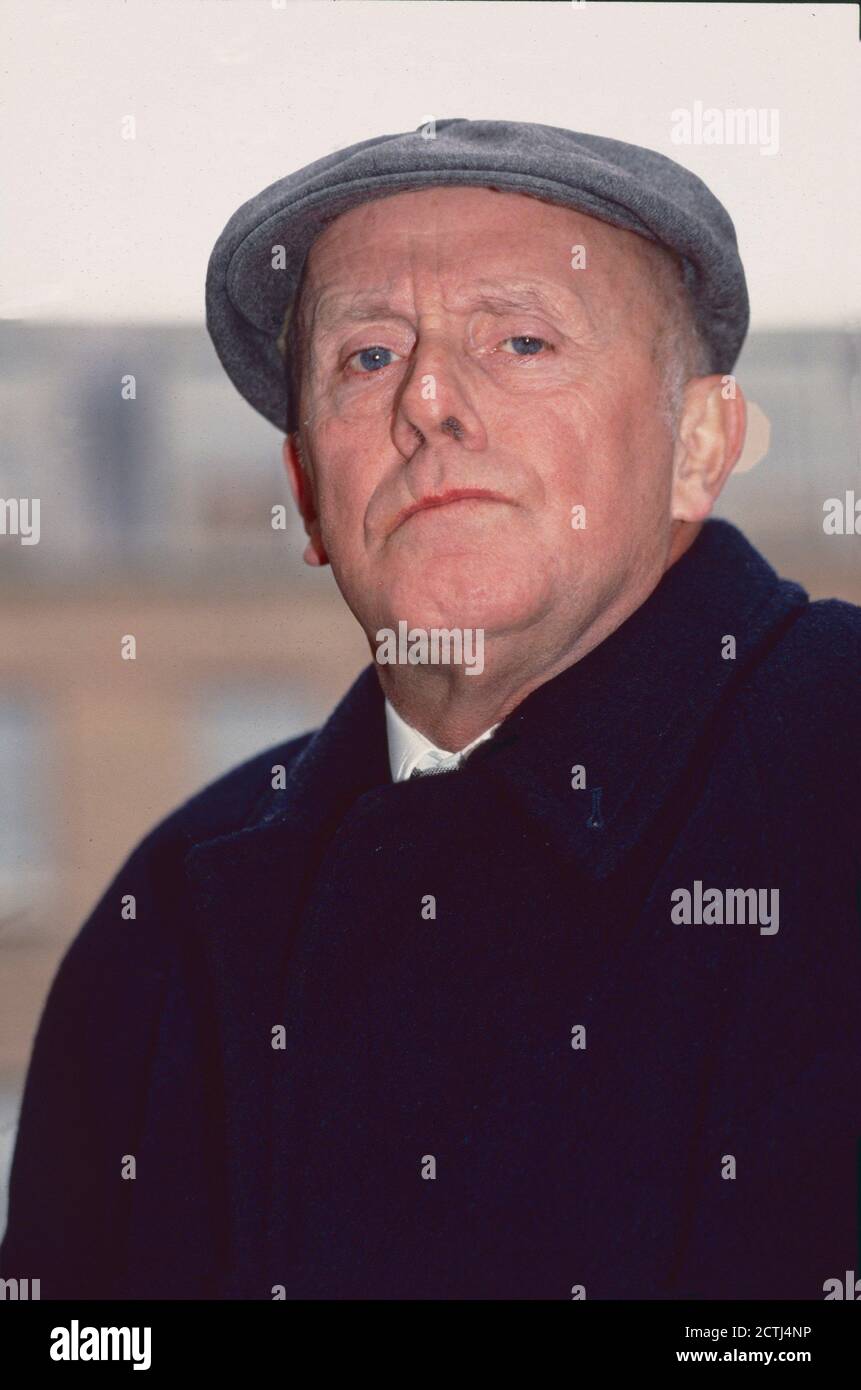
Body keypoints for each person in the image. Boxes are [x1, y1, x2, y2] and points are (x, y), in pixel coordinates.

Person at [2, 118, 859, 1300]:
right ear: (307, 490)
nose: (431, 401)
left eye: (520, 337)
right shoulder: (171, 918)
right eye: (365, 357)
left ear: (700, 444)